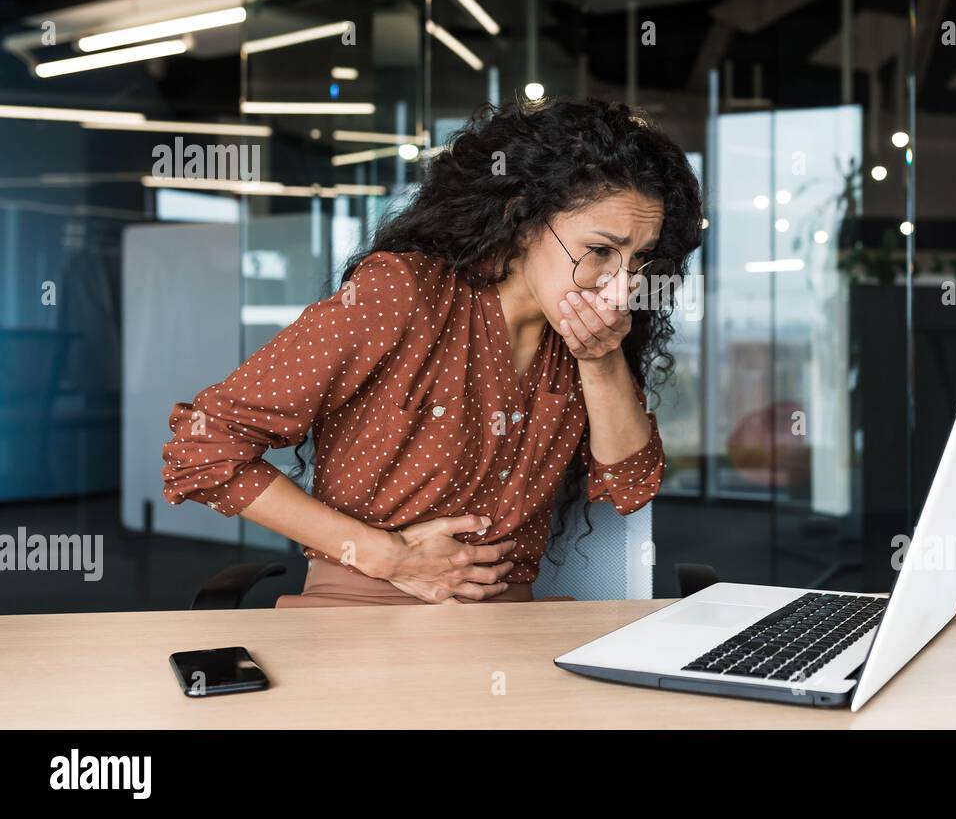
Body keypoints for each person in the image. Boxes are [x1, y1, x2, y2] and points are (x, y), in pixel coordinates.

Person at [161, 97, 703, 606]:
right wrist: (389, 556)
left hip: (513, 623)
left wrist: (599, 359)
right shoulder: (401, 295)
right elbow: (204, 448)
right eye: (600, 251)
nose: (620, 284)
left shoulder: (588, 340)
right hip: (364, 604)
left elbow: (630, 486)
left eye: (641, 261)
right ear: (521, 221)